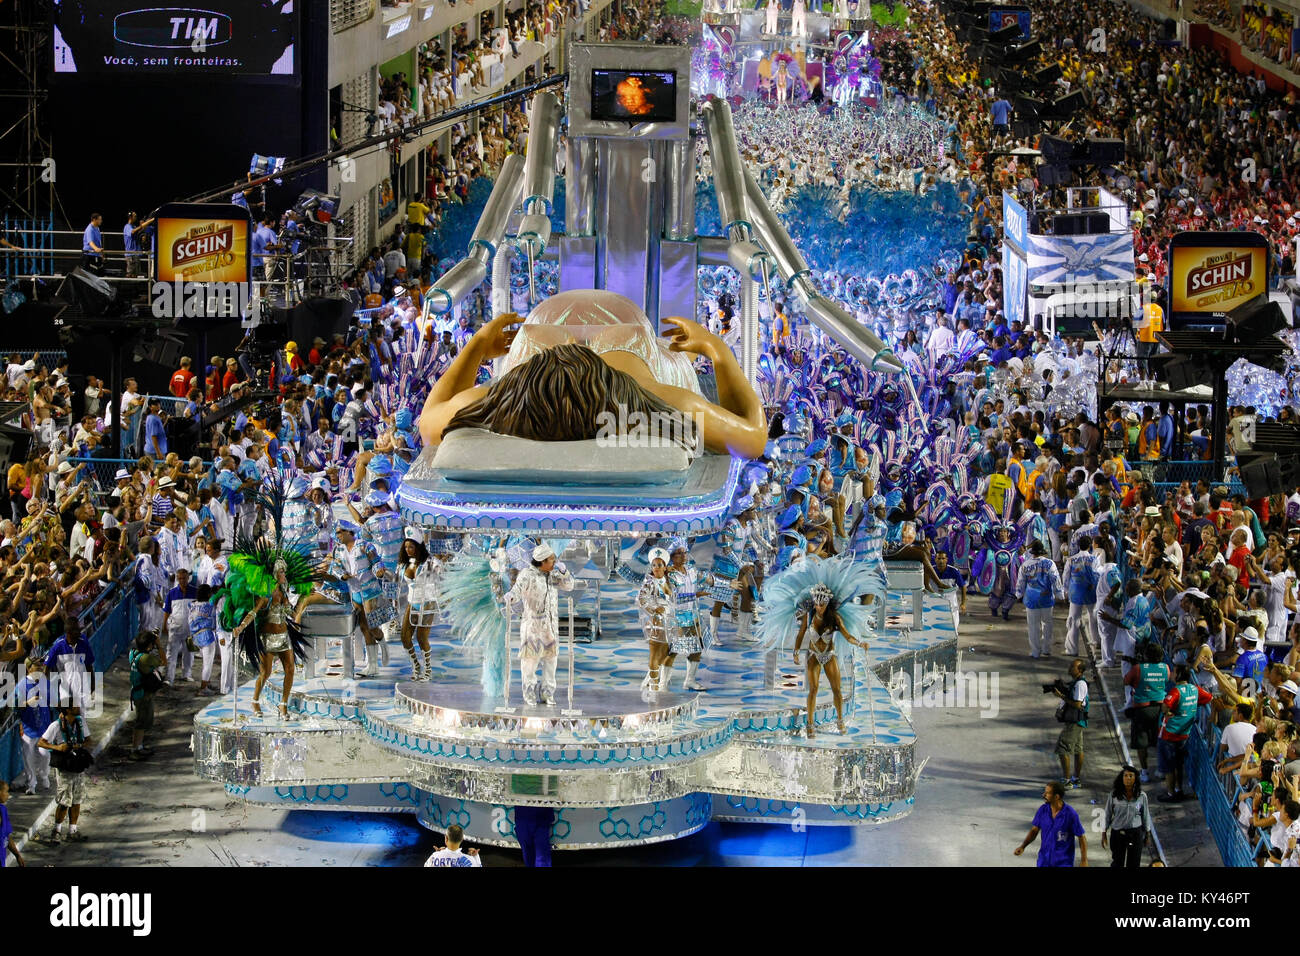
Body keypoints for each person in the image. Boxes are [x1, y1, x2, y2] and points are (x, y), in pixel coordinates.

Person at [418, 293, 767, 461]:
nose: (573, 339)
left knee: (652, 351)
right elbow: (751, 436)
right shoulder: (651, 400)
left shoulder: (500, 401)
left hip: (585, 349)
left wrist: (477, 346)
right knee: (663, 354)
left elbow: (429, 419)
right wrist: (719, 351)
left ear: (528, 373)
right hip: (630, 345)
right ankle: (664, 350)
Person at [791, 581, 871, 737]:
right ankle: (810, 723)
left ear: (827, 604)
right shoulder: (809, 615)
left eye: (821, 604)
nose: (818, 607)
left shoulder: (834, 617)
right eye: (816, 604)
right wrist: (796, 652)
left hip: (829, 654)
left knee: (837, 690)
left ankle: (840, 720)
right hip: (813, 655)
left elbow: (847, 636)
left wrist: (860, 643)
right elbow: (801, 634)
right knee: (813, 689)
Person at [503, 543, 575, 707]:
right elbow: (516, 591)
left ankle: (548, 693)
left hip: (550, 627)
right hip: (533, 629)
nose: (554, 562)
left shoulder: (553, 574)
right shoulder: (527, 575)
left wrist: (564, 573)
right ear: (542, 561)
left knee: (551, 663)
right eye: (551, 560)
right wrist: (510, 597)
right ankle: (529, 694)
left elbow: (569, 586)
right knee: (530, 664)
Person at [37, 705, 95, 844]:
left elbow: (88, 740)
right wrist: (57, 747)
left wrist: (79, 746)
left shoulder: (80, 722)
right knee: (64, 800)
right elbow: (41, 742)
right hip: (64, 767)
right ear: (67, 710)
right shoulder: (55, 726)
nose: (78, 707)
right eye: (74, 706)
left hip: (78, 765)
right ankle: (56, 830)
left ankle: (72, 831)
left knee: (77, 799)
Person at [1156, 663, 1212, 802]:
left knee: (1169, 767)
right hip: (1184, 735)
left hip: (1169, 734)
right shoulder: (1195, 689)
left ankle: (1170, 794)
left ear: (1179, 675)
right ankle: (1178, 790)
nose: (1173, 675)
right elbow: (1209, 697)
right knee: (1178, 764)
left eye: (1175, 672)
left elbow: (1164, 707)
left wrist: (1169, 712)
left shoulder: (1176, 691)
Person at [1122, 642, 1171, 782]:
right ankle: (1160, 769)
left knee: (1141, 742)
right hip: (1160, 709)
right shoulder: (1165, 667)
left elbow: (1126, 681)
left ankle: (1144, 772)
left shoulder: (1138, 668)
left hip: (1142, 710)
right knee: (1159, 740)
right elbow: (1166, 680)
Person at [1013, 781, 1088, 867]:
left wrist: (1084, 860)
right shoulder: (1043, 810)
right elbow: (1034, 830)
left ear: (1056, 797)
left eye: (1047, 793)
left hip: (1063, 863)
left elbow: (1081, 837)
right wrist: (1023, 846)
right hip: (1044, 860)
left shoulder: (1070, 814)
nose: (1043, 795)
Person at [637, 546, 675, 699]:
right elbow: (641, 599)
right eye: (654, 565)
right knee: (654, 655)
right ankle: (653, 685)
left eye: (660, 565)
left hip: (670, 622)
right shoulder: (649, 583)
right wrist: (654, 610)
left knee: (666, 653)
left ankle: (660, 684)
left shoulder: (669, 581)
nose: (657, 568)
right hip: (656, 623)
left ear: (665, 567)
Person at [1016, 539, 1064, 658]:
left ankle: (1035, 651)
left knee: (1033, 626)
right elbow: (1055, 579)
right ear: (1042, 551)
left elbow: (1020, 583)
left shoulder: (1025, 565)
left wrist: (1018, 594)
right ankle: (1046, 649)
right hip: (1046, 599)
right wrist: (1060, 594)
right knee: (1047, 624)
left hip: (1031, 599)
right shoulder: (1050, 563)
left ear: (1032, 552)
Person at [1101, 765, 1150, 869]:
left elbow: (1145, 815)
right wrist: (1104, 832)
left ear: (1135, 779)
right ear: (1121, 778)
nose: (1128, 778)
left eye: (1131, 776)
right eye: (1126, 775)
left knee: (1134, 863)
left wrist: (1147, 834)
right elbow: (1108, 814)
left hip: (1135, 834)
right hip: (1118, 833)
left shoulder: (1142, 796)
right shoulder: (1113, 795)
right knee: (1117, 863)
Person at [15, 657, 52, 794]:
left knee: (45, 754)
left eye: (41, 667)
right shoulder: (21, 685)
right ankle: (32, 784)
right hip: (28, 728)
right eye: (37, 667)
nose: (40, 670)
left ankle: (44, 775)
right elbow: (17, 706)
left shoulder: (45, 683)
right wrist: (29, 702)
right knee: (28, 757)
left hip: (43, 727)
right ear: (29, 668)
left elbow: (51, 702)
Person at [1052, 658, 1089, 789]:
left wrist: (1061, 696)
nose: (1069, 668)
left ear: (1080, 670)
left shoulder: (1080, 684)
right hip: (1078, 720)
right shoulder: (1077, 683)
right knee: (1078, 749)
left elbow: (1078, 704)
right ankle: (1076, 779)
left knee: (1062, 748)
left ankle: (1067, 781)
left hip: (1075, 721)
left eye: (1073, 667)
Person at [127, 631, 163, 760]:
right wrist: (159, 645)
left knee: (141, 721)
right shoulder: (146, 658)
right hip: (144, 694)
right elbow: (163, 661)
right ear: (149, 646)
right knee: (142, 722)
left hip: (137, 692)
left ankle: (139, 747)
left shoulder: (133, 654)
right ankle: (135, 749)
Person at [0, 780, 24, 867]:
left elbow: (7, 836)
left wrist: (17, 855)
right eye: (6, 791)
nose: (8, 795)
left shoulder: (3, 810)